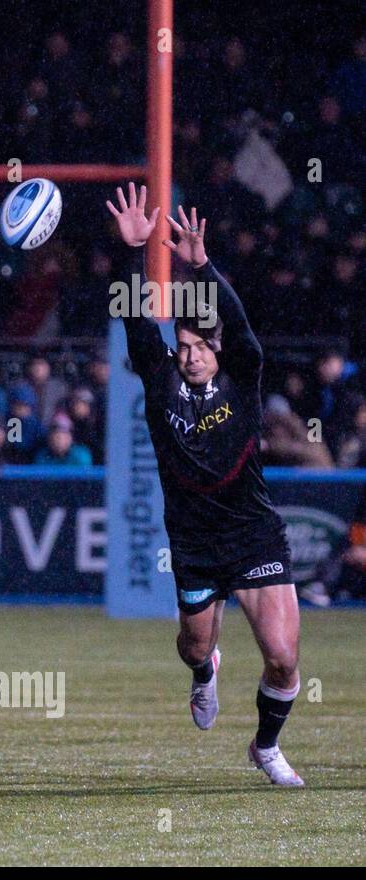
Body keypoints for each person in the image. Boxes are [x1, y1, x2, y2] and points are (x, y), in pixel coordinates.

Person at [106, 184, 304, 786]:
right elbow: (132, 315)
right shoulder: (159, 379)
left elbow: (241, 325)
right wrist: (134, 254)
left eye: (200, 346)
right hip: (194, 544)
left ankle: (265, 747)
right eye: (183, 346)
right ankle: (205, 670)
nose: (190, 355)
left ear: (217, 348)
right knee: (193, 646)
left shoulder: (242, 376)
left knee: (284, 657)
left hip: (254, 535)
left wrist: (201, 266)